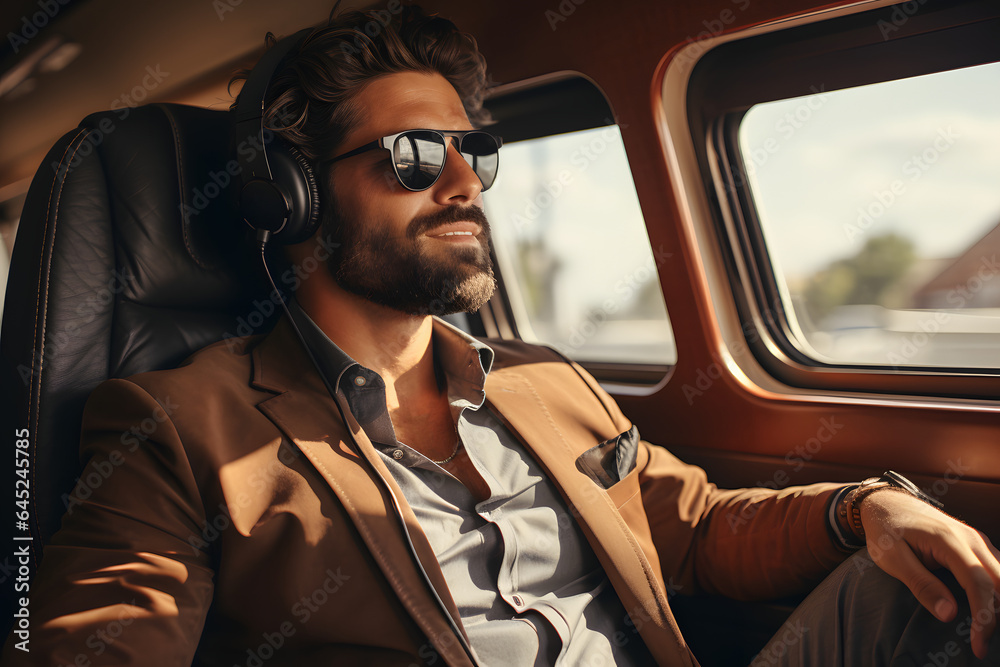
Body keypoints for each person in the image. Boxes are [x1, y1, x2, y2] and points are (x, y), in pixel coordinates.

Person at [5, 5, 999, 666]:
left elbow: (691, 528)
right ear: (292, 195)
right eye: (411, 155)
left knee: (931, 589)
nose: (462, 183)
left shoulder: (547, 383)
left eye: (473, 153)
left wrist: (866, 507)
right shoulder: (178, 427)